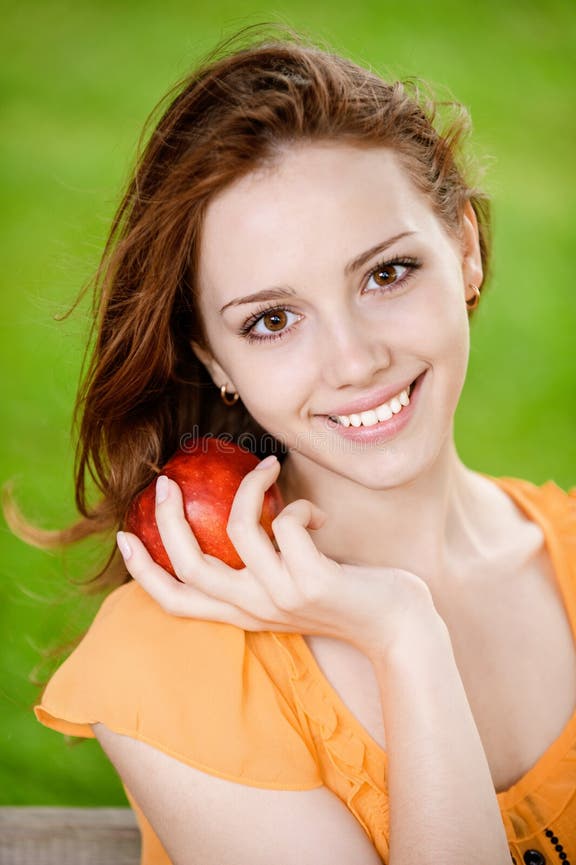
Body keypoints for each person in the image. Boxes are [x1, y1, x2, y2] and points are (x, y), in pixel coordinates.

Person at [11, 21, 576, 865]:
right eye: (272, 320)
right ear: (213, 357)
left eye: (386, 273)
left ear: (463, 248)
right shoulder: (172, 659)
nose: (355, 361)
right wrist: (404, 636)